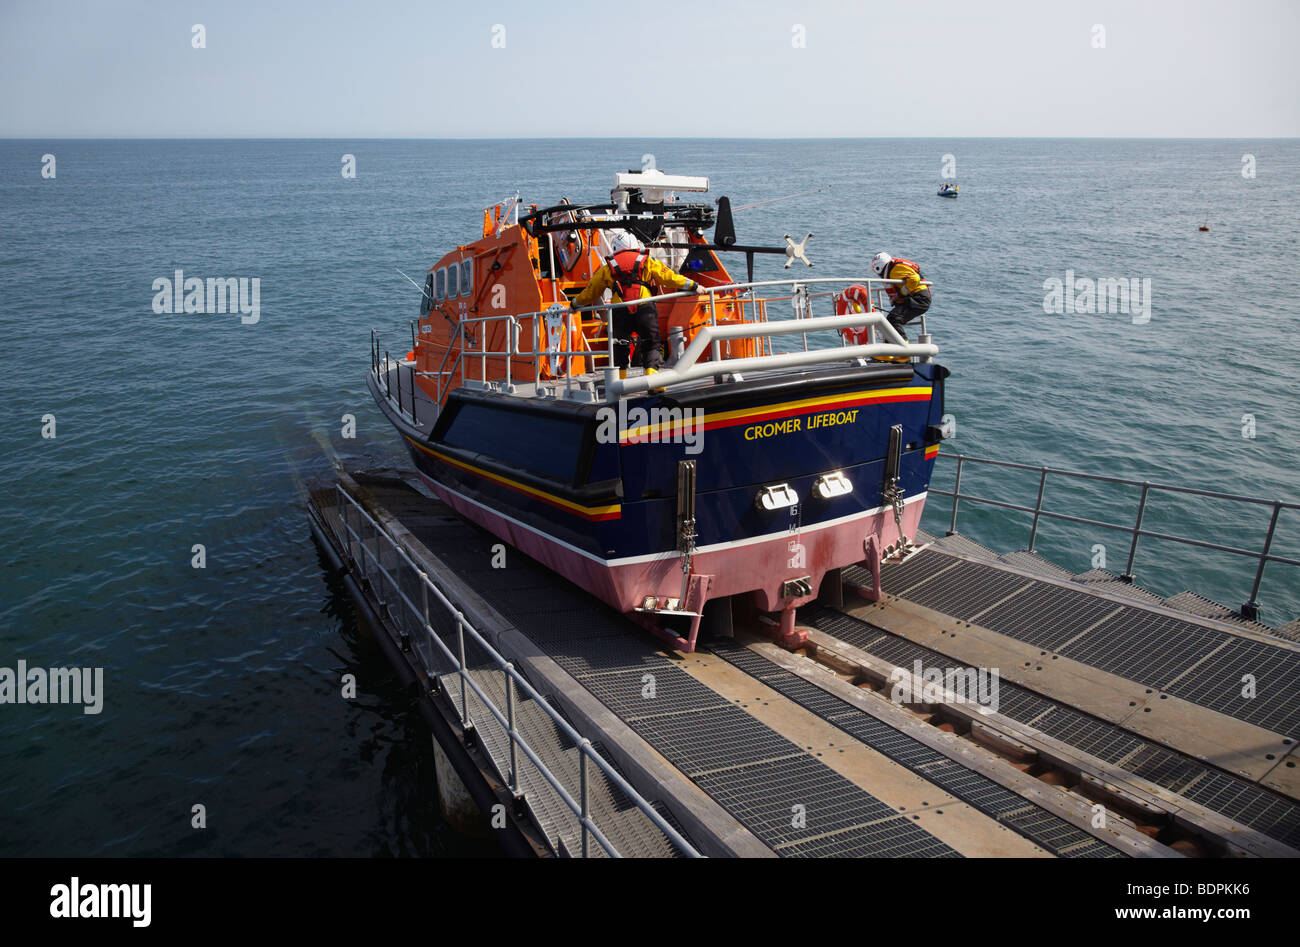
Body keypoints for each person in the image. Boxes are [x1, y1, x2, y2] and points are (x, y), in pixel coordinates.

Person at [573, 229, 703, 373]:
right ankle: (653, 379)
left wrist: (575, 304)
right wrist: (694, 285)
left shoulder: (607, 268)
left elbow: (591, 291)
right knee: (651, 344)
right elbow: (669, 278)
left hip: (620, 310)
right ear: (635, 245)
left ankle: (619, 380)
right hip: (645, 308)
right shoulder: (647, 261)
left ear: (616, 247)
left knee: (619, 346)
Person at [870, 251, 931, 339]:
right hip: (915, 298)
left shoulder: (895, 271)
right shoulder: (894, 269)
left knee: (893, 319)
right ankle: (891, 346)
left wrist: (898, 295)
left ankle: (902, 348)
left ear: (879, 268)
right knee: (890, 321)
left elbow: (914, 279)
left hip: (919, 299)